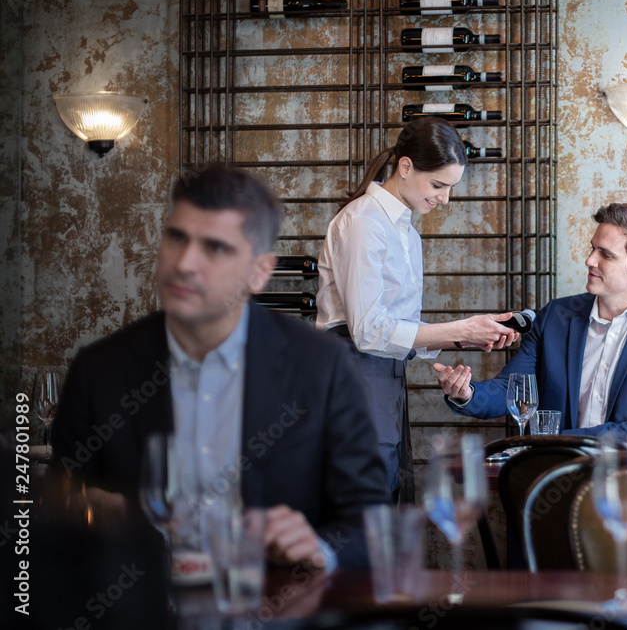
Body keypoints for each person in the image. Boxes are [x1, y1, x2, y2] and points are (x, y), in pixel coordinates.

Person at [51, 164, 389, 572]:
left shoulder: (323, 367)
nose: (185, 263)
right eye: (177, 238)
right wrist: (86, 514)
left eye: (215, 247)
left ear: (260, 271)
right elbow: (57, 520)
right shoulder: (98, 370)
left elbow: (373, 524)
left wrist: (319, 548)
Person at [315, 117, 518, 503]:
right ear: (405, 167)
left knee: (386, 497)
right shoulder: (363, 223)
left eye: (450, 188)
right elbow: (368, 331)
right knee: (363, 504)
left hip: (383, 376)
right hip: (350, 375)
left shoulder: (406, 231)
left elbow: (398, 327)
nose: (445, 200)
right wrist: (459, 328)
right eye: (439, 186)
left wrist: (468, 336)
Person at [434, 202, 627, 438]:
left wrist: (564, 440)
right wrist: (467, 393)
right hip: (554, 474)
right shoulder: (555, 316)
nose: (589, 260)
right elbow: (513, 389)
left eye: (605, 255)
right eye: (592, 249)